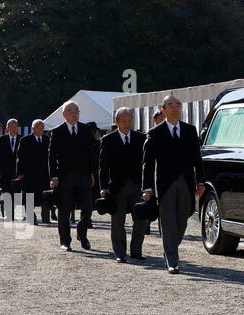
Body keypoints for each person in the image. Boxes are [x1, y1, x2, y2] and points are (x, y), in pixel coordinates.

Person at [141, 96, 205, 275]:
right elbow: (148, 163)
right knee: (168, 220)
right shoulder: (155, 133)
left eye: (178, 104)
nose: (175, 108)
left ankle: (170, 246)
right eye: (170, 105)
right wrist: (147, 188)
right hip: (165, 184)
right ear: (163, 110)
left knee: (183, 219)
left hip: (186, 182)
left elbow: (197, 159)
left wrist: (200, 181)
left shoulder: (190, 130)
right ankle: (172, 259)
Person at [48, 102, 98, 251]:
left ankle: (82, 235)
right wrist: (54, 176)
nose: (74, 113)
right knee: (64, 209)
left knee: (88, 208)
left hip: (83, 176)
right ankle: (65, 240)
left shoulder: (86, 129)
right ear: (64, 114)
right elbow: (51, 156)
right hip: (64, 177)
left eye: (76, 110)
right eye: (70, 111)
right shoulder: (57, 131)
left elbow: (91, 153)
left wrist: (92, 173)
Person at [100, 109, 148, 263]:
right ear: (117, 121)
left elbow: (147, 163)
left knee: (141, 217)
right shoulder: (108, 140)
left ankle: (136, 251)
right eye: (124, 121)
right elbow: (103, 166)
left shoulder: (141, 138)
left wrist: (147, 186)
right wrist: (104, 187)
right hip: (117, 186)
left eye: (130, 121)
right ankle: (120, 252)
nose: (127, 124)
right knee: (118, 220)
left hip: (136, 185)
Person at [16, 121, 50, 225]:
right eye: (38, 127)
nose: (40, 130)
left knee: (45, 195)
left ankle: (45, 217)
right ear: (33, 128)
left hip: (44, 174)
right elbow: (20, 157)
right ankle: (31, 216)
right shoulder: (25, 140)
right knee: (29, 195)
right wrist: (20, 173)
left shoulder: (47, 140)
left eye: (42, 128)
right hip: (29, 174)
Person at [0, 119, 22, 220]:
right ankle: (9, 214)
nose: (13, 128)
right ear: (7, 128)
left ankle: (10, 210)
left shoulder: (22, 139)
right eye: (11, 127)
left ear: (18, 128)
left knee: (16, 194)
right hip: (4, 172)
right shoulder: (2, 139)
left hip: (17, 172)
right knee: (7, 192)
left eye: (15, 126)